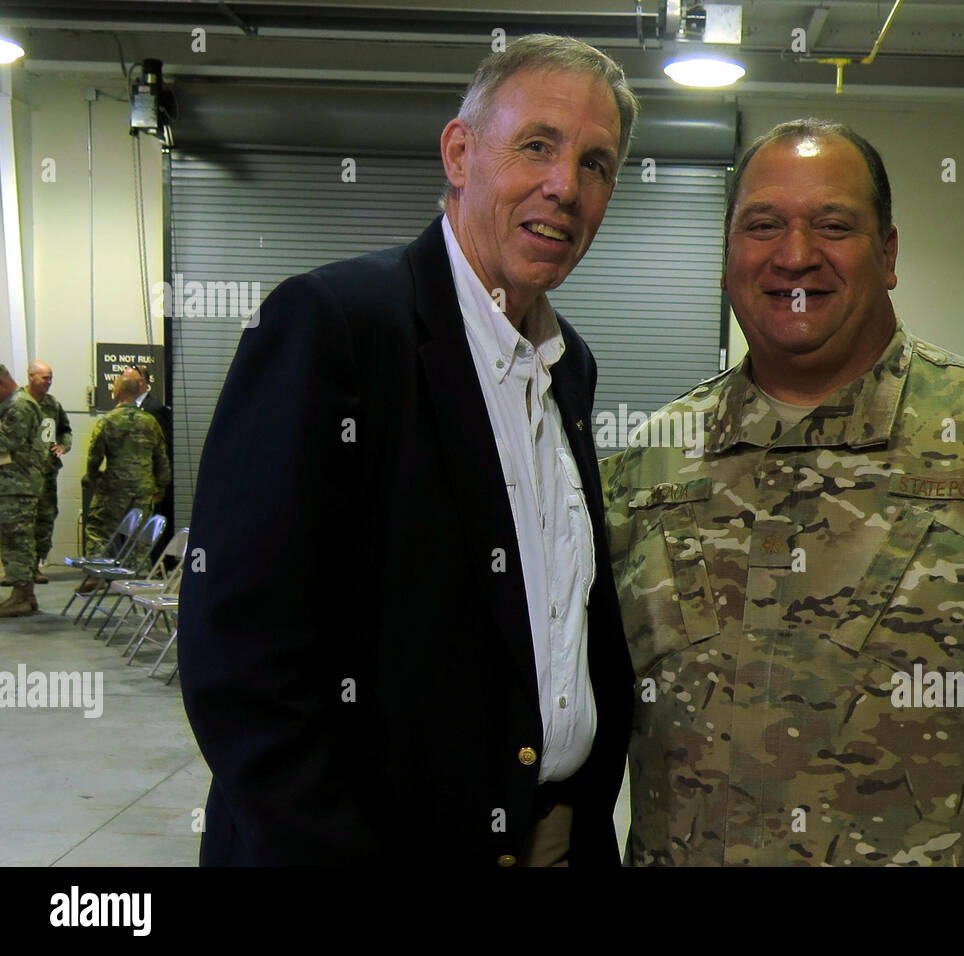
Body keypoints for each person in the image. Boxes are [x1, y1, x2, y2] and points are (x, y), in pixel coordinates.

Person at [601, 118, 964, 866]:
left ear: (888, 254)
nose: (796, 254)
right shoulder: (646, 468)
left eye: (834, 224)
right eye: (763, 225)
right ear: (727, 256)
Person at [179, 34, 637, 867]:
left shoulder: (569, 367)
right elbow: (242, 661)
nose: (564, 186)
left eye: (597, 164)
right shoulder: (337, 328)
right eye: (537, 145)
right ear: (461, 154)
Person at [83, 374, 171, 557]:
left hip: (115, 489)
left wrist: (93, 479)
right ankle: (138, 576)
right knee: (139, 538)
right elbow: (162, 458)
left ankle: (95, 573)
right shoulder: (150, 422)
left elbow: (94, 457)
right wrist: (161, 487)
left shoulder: (108, 421)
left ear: (117, 392)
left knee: (98, 530)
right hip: (143, 490)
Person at [20, 361, 73, 584]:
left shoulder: (53, 405)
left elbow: (65, 431)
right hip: (21, 478)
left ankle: (35, 566)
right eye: (44, 378)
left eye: (50, 378)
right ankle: (19, 571)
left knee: (44, 520)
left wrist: (63, 446)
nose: (48, 382)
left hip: (46, 475)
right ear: (31, 377)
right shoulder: (17, 403)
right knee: (21, 523)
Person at [0, 363, 46, 617]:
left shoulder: (19, 406)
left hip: (18, 486)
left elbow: (8, 440)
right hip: (14, 485)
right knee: (16, 540)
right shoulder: (15, 404)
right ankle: (23, 594)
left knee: (17, 541)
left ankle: (22, 596)